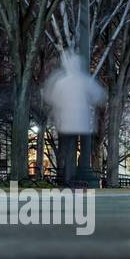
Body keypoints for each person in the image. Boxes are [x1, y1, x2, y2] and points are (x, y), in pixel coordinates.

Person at [41, 51, 106, 184]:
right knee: (85, 149)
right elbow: (99, 95)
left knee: (67, 150)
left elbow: (51, 97)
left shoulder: (61, 82)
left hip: (65, 122)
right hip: (82, 121)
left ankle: (68, 179)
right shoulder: (84, 80)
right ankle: (81, 176)